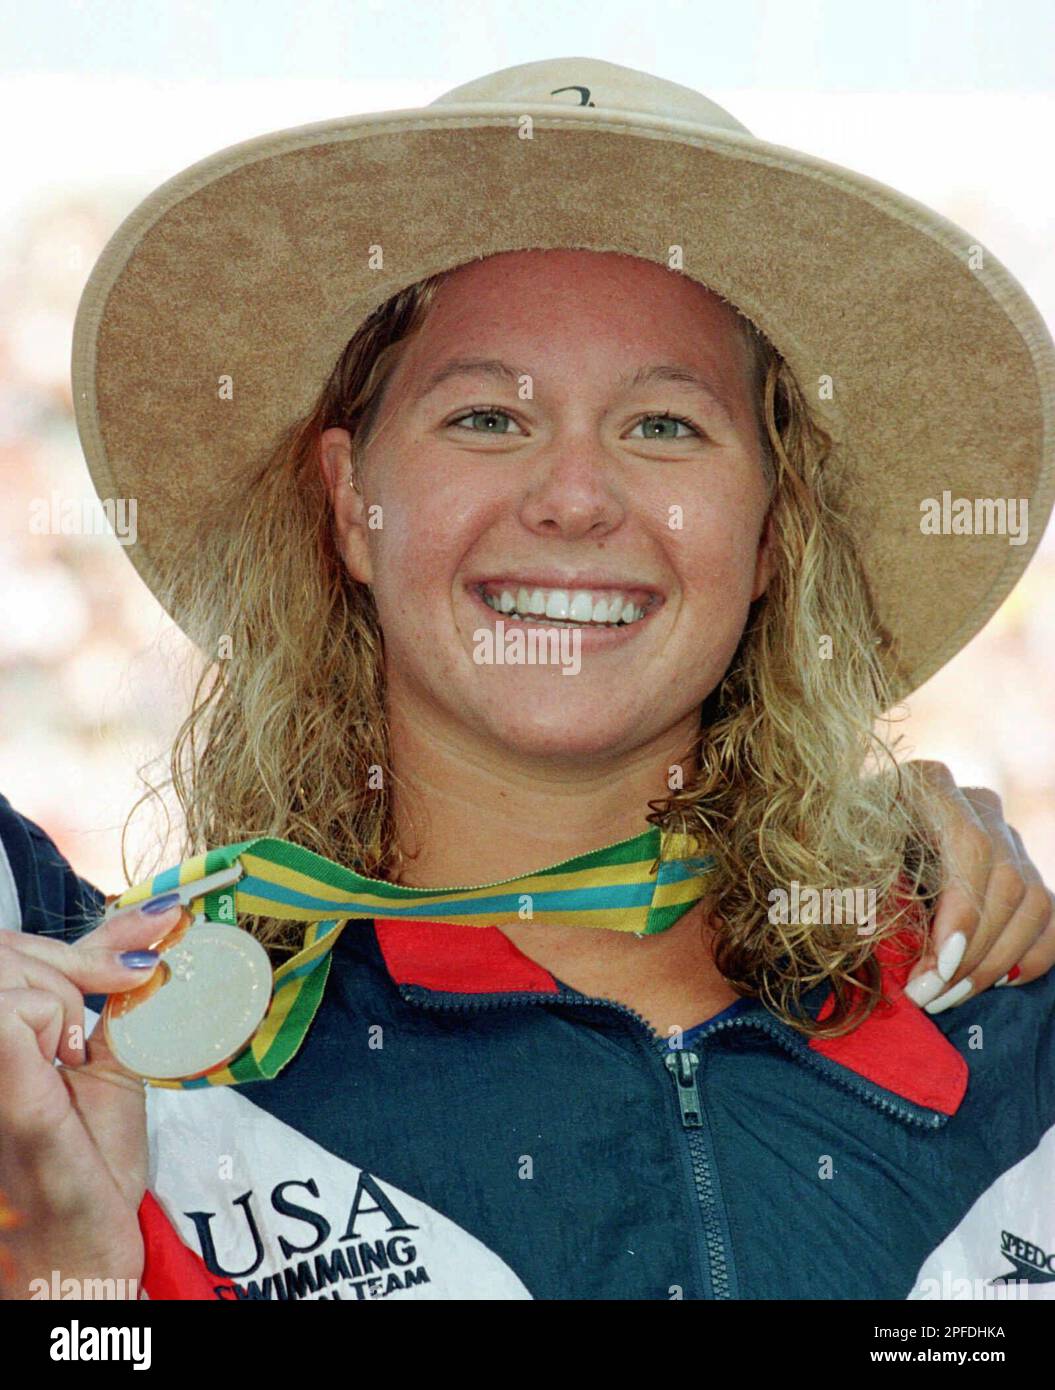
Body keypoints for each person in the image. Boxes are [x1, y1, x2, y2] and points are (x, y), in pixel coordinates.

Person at [1, 57, 1053, 1302]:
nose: (571, 497)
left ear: (771, 533)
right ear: (350, 503)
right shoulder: (107, 1056)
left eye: (664, 425)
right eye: (486, 418)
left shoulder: (1005, 1041)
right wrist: (65, 1289)